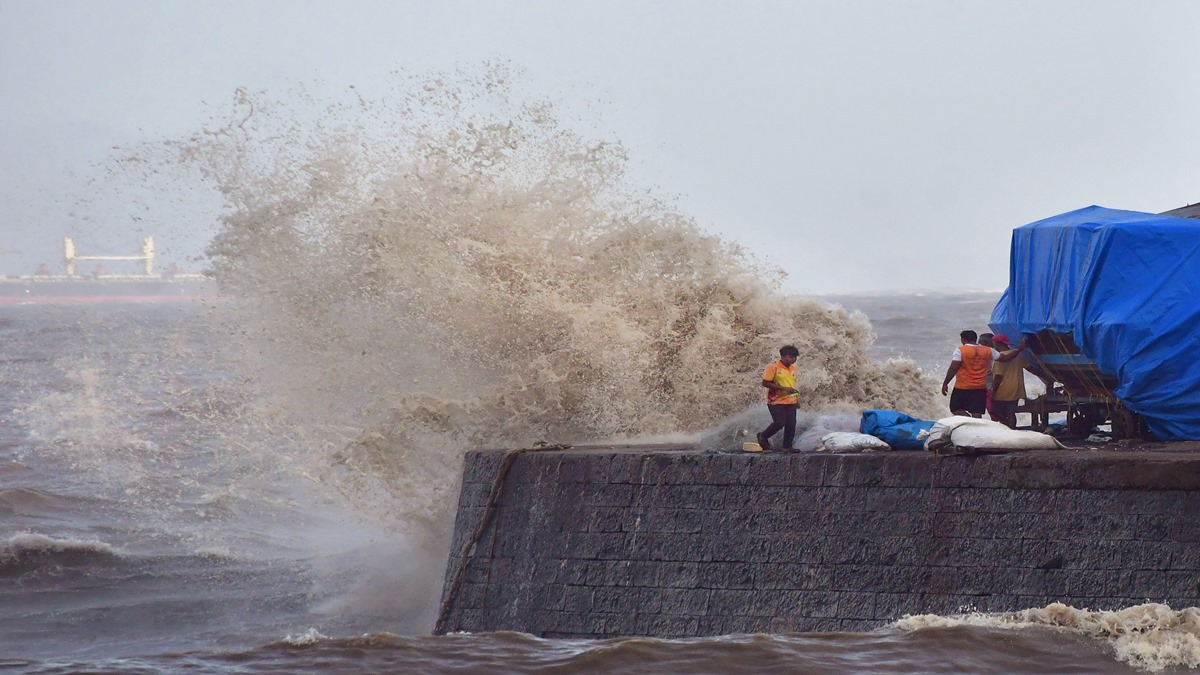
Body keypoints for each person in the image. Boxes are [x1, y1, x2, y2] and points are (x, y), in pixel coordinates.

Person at [941, 330, 1023, 418]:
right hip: (980, 387)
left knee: (955, 408)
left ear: (963, 340)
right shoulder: (988, 350)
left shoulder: (960, 350)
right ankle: (977, 427)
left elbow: (954, 368)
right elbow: (1006, 358)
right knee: (977, 411)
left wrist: (946, 383)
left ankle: (968, 420)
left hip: (963, 387)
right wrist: (1020, 348)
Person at [757, 345, 800, 451]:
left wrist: (796, 400)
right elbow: (765, 383)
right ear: (783, 356)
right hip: (775, 400)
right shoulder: (773, 367)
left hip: (790, 401)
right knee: (779, 423)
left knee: (791, 424)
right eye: (790, 357)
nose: (793, 359)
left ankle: (787, 447)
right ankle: (763, 436)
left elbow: (791, 386)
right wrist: (783, 388)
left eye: (795, 357)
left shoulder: (794, 368)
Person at [989, 333, 1030, 429]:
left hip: (1003, 390)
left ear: (998, 344)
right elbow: (1030, 368)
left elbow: (998, 377)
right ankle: (1011, 429)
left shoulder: (999, 357)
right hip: (1016, 388)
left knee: (995, 410)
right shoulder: (1018, 356)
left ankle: (1007, 428)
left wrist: (993, 393)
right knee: (1011, 412)